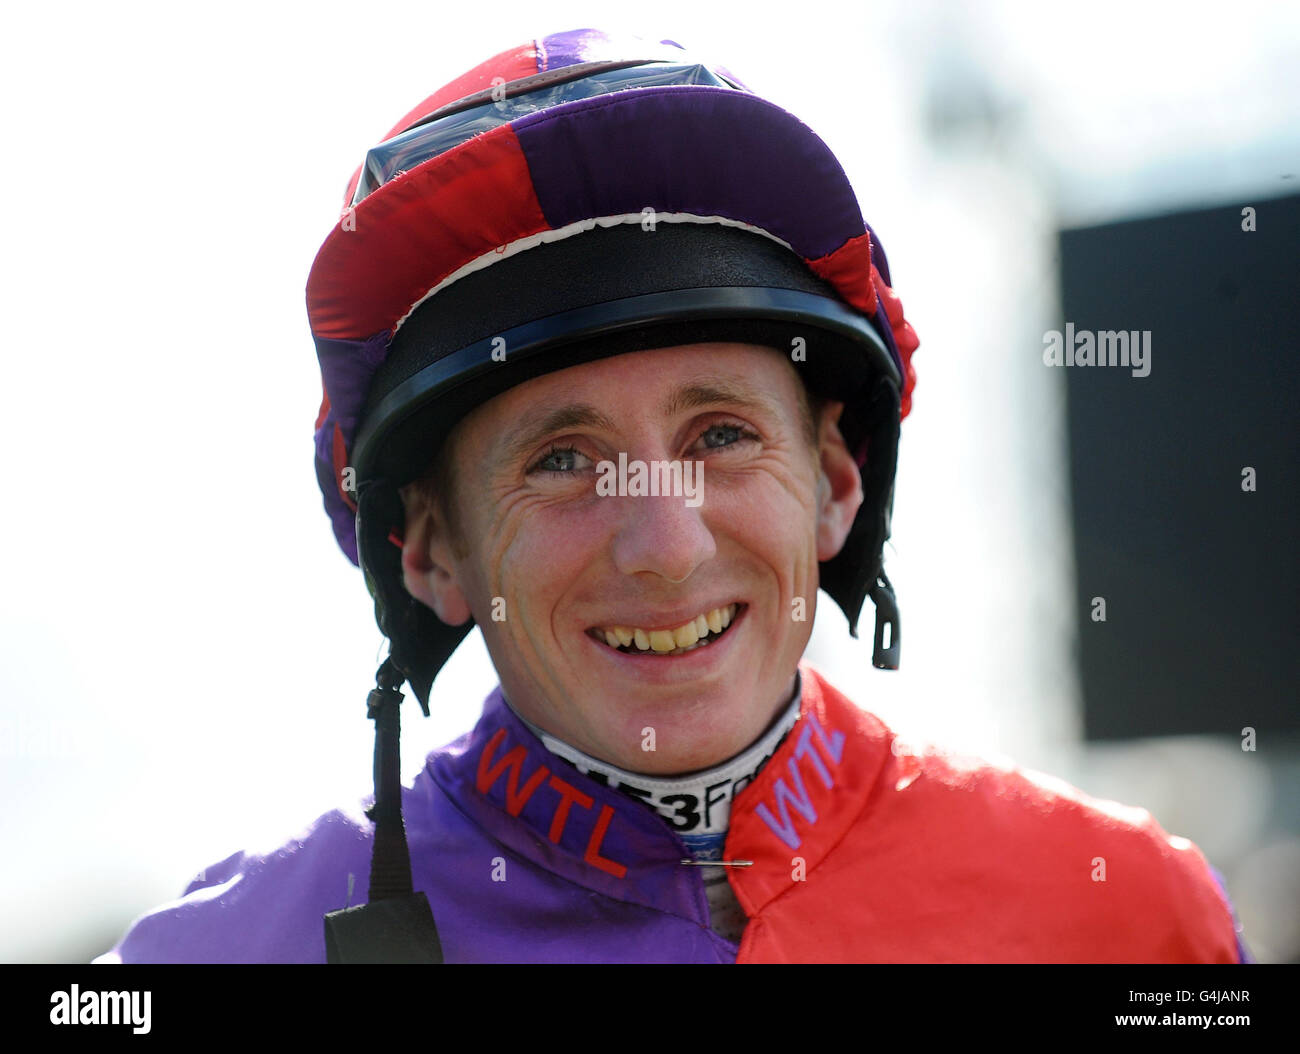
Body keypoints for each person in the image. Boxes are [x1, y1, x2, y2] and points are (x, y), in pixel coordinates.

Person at [98, 28, 1247, 964]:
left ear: (836, 487)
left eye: (721, 436)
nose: (664, 543)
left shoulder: (1133, 917)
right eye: (561, 460)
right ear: (431, 552)